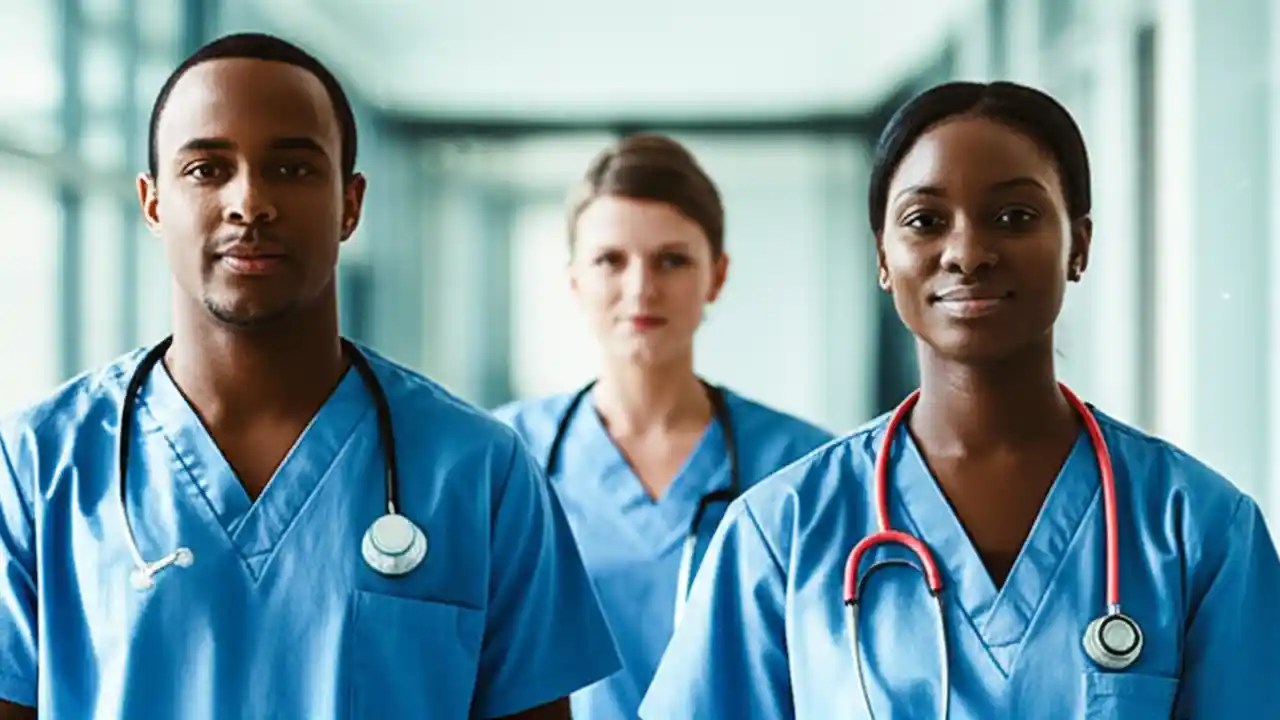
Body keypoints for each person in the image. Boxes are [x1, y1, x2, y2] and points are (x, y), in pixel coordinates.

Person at [0, 32, 619, 720]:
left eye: (292, 170)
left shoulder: (477, 471)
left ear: (350, 203)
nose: (249, 203)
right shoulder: (37, 467)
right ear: (152, 203)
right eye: (206, 169)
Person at [638, 81, 1280, 719]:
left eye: (1014, 217)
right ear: (883, 257)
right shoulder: (782, 533)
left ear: (1078, 245)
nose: (968, 254)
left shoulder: (1201, 531)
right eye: (925, 221)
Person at [493, 133, 834, 720]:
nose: (641, 288)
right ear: (574, 278)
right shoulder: (504, 457)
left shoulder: (804, 466)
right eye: (611, 260)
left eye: (672, 260)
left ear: (717, 276)